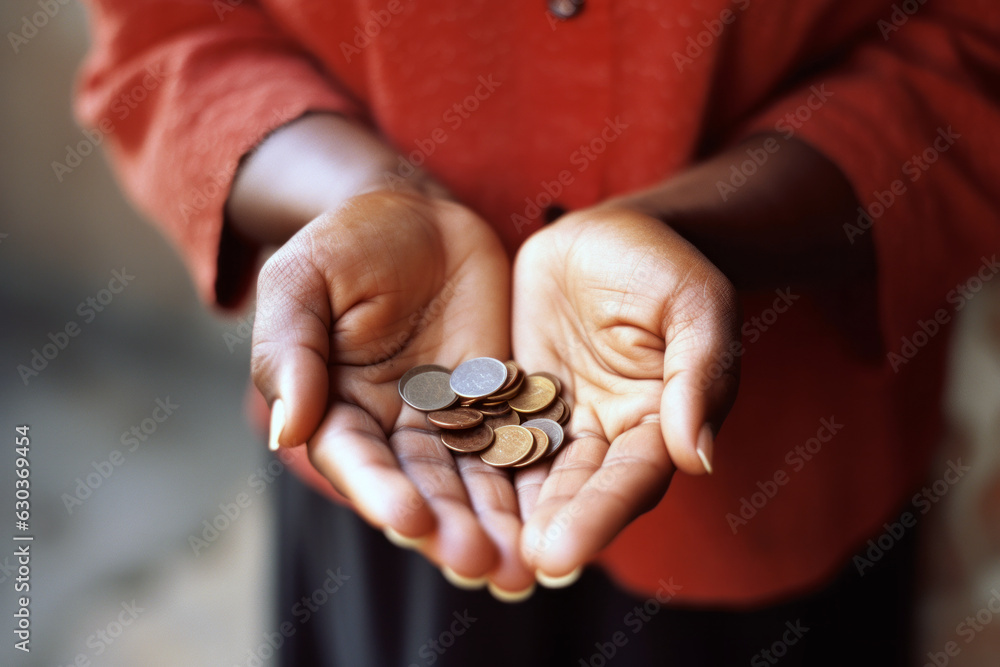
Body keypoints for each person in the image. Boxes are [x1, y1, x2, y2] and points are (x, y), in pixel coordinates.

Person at [76, 0, 1000, 664]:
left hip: (783, 471)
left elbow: (973, 39)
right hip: (377, 422)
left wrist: (699, 230)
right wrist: (359, 202)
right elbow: (166, 34)